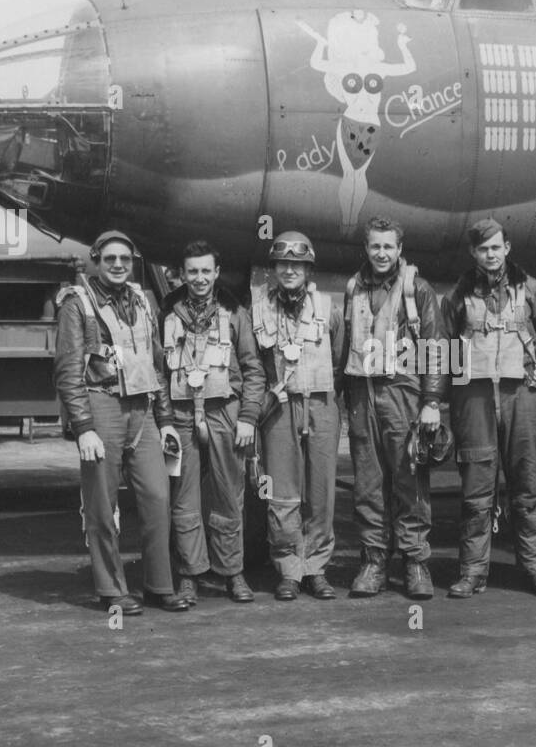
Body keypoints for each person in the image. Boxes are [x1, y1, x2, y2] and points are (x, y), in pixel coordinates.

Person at [54, 230, 188, 614]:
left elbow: (156, 364)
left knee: (158, 498)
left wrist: (164, 421)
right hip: (102, 407)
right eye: (110, 258)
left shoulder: (143, 302)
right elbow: (67, 369)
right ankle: (112, 589)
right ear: (96, 259)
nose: (117, 265)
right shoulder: (76, 303)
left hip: (143, 411)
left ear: (133, 262)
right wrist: (84, 427)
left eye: (124, 259)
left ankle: (159, 584)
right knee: (101, 503)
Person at [441, 219, 536, 599]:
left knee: (526, 486)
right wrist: (444, 403)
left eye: (496, 247)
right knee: (477, 491)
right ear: (473, 253)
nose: (490, 255)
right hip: (473, 399)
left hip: (522, 396)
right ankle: (473, 571)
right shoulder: (457, 296)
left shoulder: (531, 290)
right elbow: (445, 352)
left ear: (507, 248)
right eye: (482, 249)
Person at [341, 217, 448, 599]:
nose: (381, 253)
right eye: (375, 246)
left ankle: (416, 561)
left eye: (389, 247)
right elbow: (345, 346)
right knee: (368, 483)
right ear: (366, 249)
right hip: (362, 392)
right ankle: (374, 561)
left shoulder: (418, 290)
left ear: (400, 250)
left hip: (403, 391)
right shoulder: (353, 288)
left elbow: (436, 348)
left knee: (409, 478)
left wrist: (432, 401)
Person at [162, 240, 266, 603]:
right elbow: (160, 373)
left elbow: (254, 370)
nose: (200, 278)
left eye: (207, 271)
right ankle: (190, 573)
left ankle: (231, 572)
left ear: (217, 273)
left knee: (229, 494)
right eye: (193, 271)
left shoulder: (234, 312)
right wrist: (164, 421)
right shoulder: (168, 312)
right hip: (180, 414)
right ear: (182, 273)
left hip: (225, 411)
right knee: (184, 496)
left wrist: (248, 417)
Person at [249, 232, 345, 601]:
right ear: (273, 269)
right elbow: (254, 365)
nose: (290, 270)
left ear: (308, 269)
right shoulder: (258, 309)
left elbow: (339, 358)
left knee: (320, 492)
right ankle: (288, 568)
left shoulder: (327, 307)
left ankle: (316, 568)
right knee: (282, 493)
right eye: (283, 264)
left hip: (321, 403)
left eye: (297, 265)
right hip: (281, 408)